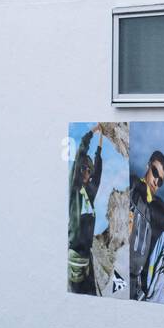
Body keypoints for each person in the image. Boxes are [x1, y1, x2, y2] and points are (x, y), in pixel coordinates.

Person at [128, 150, 164, 299]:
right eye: (155, 172)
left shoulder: (153, 211)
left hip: (136, 284)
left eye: (161, 181)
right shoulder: (133, 188)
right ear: (147, 166)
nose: (156, 181)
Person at [68, 126, 103, 295]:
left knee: (92, 296)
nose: (86, 172)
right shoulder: (74, 190)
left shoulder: (89, 194)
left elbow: (98, 176)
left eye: (89, 170)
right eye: (83, 168)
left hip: (87, 259)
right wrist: (92, 133)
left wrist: (100, 148)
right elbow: (79, 154)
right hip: (75, 258)